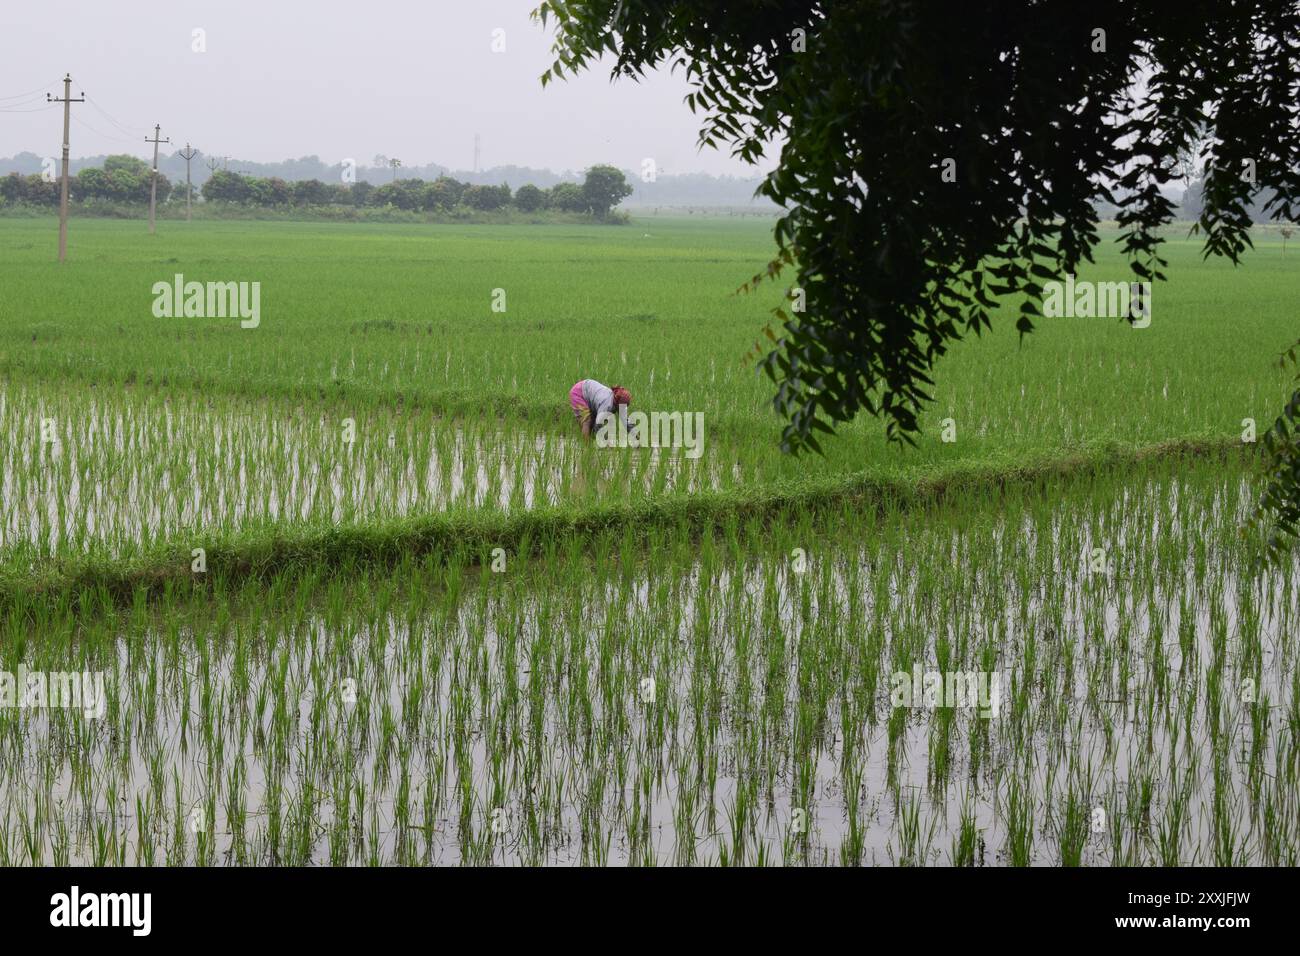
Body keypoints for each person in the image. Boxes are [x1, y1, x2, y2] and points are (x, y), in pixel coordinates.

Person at [569, 378, 635, 440]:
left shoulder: (621, 404)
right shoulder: (607, 405)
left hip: (589, 392)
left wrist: (636, 437)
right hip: (578, 393)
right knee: (587, 420)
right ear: (617, 403)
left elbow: (626, 422)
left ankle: (589, 441)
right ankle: (586, 447)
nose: (623, 408)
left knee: (592, 423)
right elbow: (598, 425)